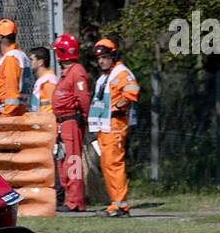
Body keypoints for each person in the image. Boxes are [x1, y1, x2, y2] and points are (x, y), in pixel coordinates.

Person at [87, 37, 140, 217]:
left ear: (113, 56)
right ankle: (114, 203)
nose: (101, 60)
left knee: (114, 165)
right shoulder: (104, 77)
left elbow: (132, 91)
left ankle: (121, 206)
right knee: (107, 165)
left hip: (115, 126)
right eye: (98, 58)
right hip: (104, 127)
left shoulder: (121, 72)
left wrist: (119, 106)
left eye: (104, 57)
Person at [51, 33, 89, 212]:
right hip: (63, 122)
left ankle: (75, 201)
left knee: (73, 161)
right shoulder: (67, 72)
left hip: (72, 122)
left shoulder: (76, 71)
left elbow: (83, 98)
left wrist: (85, 119)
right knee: (63, 161)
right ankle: (69, 198)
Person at [0, 18, 30, 116]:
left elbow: (12, 96)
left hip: (7, 116)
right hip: (16, 114)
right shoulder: (20, 55)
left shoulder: (11, 59)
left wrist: (5, 118)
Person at [27, 47, 57, 112]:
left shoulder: (48, 80)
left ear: (40, 62)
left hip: (47, 120)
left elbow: (54, 105)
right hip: (40, 119)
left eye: (31, 59)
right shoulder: (42, 79)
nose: (29, 62)